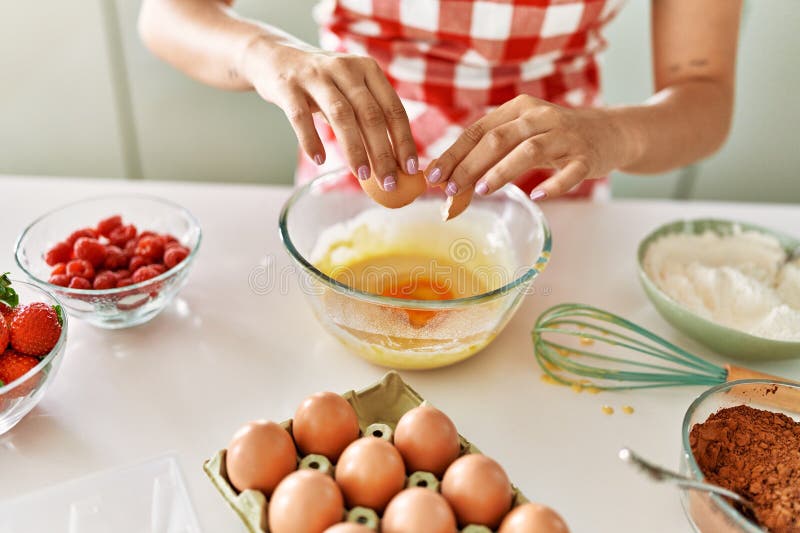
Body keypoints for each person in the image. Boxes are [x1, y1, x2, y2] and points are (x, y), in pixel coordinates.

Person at [138, 0, 741, 201]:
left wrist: (614, 134)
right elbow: (167, 13)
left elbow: (704, 96)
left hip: (553, 196)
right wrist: (266, 53)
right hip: (353, 185)